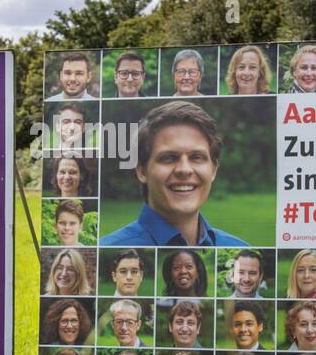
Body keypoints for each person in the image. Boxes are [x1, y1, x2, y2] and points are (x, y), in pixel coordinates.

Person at [99, 101, 248, 247]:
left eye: (196, 157)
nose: (184, 170)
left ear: (213, 170)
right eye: (169, 158)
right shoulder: (107, 247)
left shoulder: (238, 247)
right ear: (142, 170)